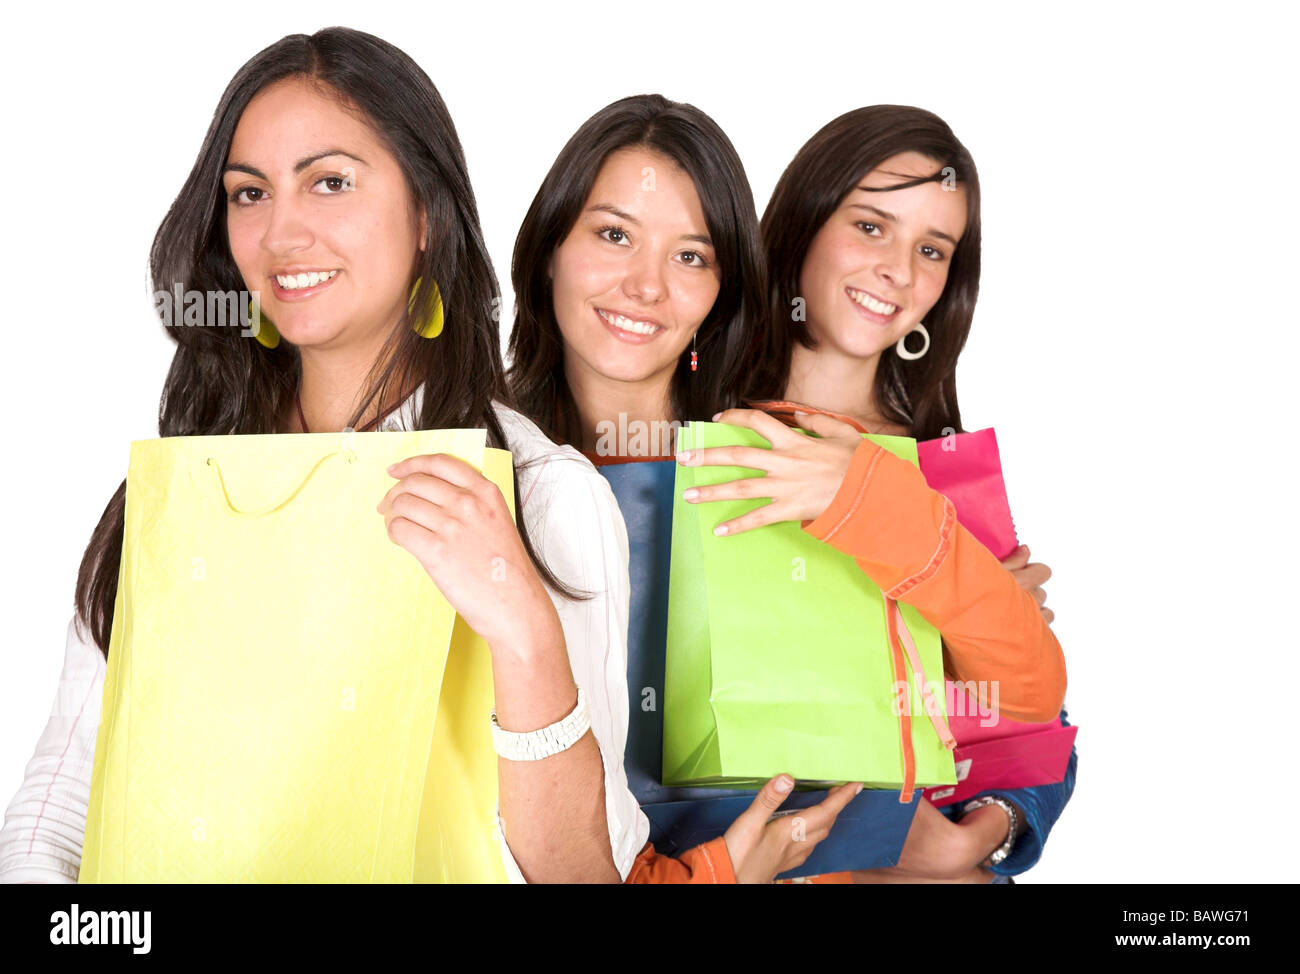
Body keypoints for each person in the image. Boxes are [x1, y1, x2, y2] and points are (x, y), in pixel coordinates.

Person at [0, 27, 644, 884]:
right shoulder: (180, 493)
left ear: (427, 215)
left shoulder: (541, 494)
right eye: (249, 193)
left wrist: (523, 630)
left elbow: (582, 876)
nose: (281, 232)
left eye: (329, 182)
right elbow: (62, 798)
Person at [683, 105, 1076, 882]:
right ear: (802, 226)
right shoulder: (694, 422)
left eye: (932, 249)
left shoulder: (942, 468)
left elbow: (1036, 722)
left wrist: (987, 835)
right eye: (870, 227)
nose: (900, 270)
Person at [507, 94, 861, 882]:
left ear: (720, 295)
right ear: (549, 251)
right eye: (613, 235)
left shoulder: (788, 466)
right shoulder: (478, 465)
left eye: (691, 256)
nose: (646, 286)